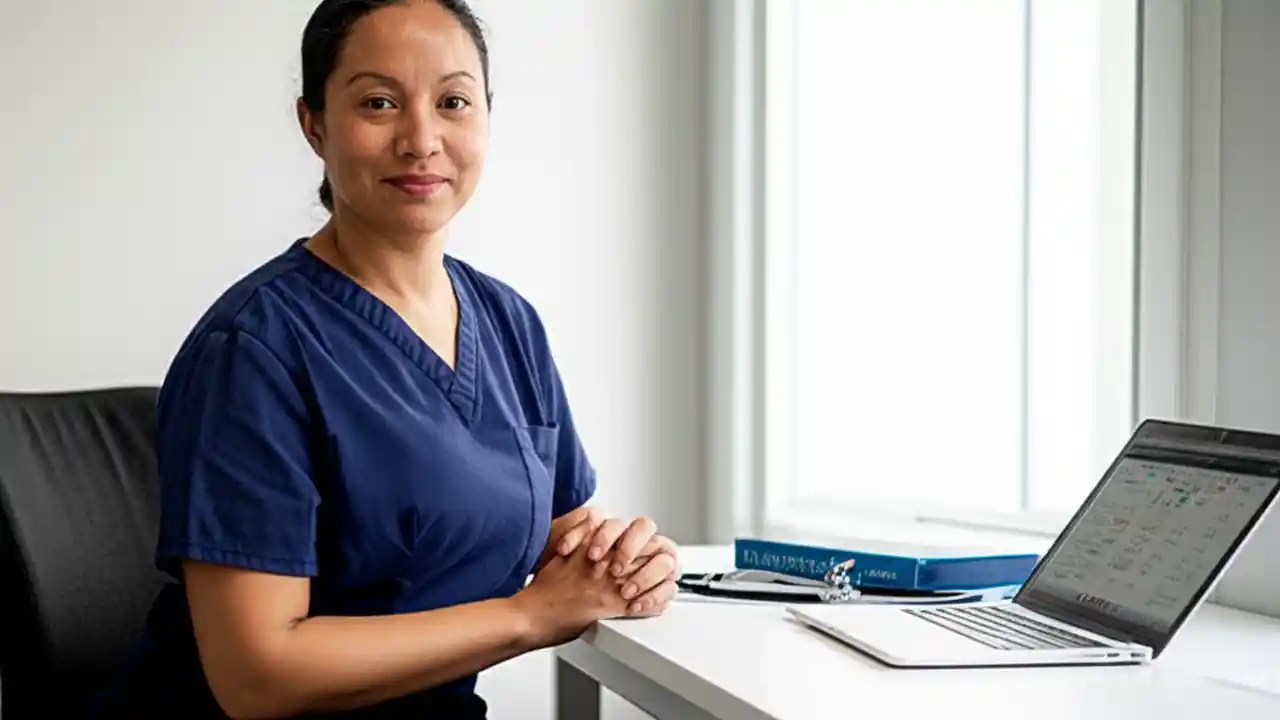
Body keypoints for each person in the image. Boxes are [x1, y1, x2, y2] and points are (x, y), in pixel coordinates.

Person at [91, 1, 679, 717]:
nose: (421, 139)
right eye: (378, 103)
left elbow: (568, 542)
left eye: (454, 102)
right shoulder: (255, 349)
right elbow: (256, 676)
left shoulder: (507, 322)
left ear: (486, 118)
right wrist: (530, 616)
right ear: (314, 125)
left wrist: (630, 562)